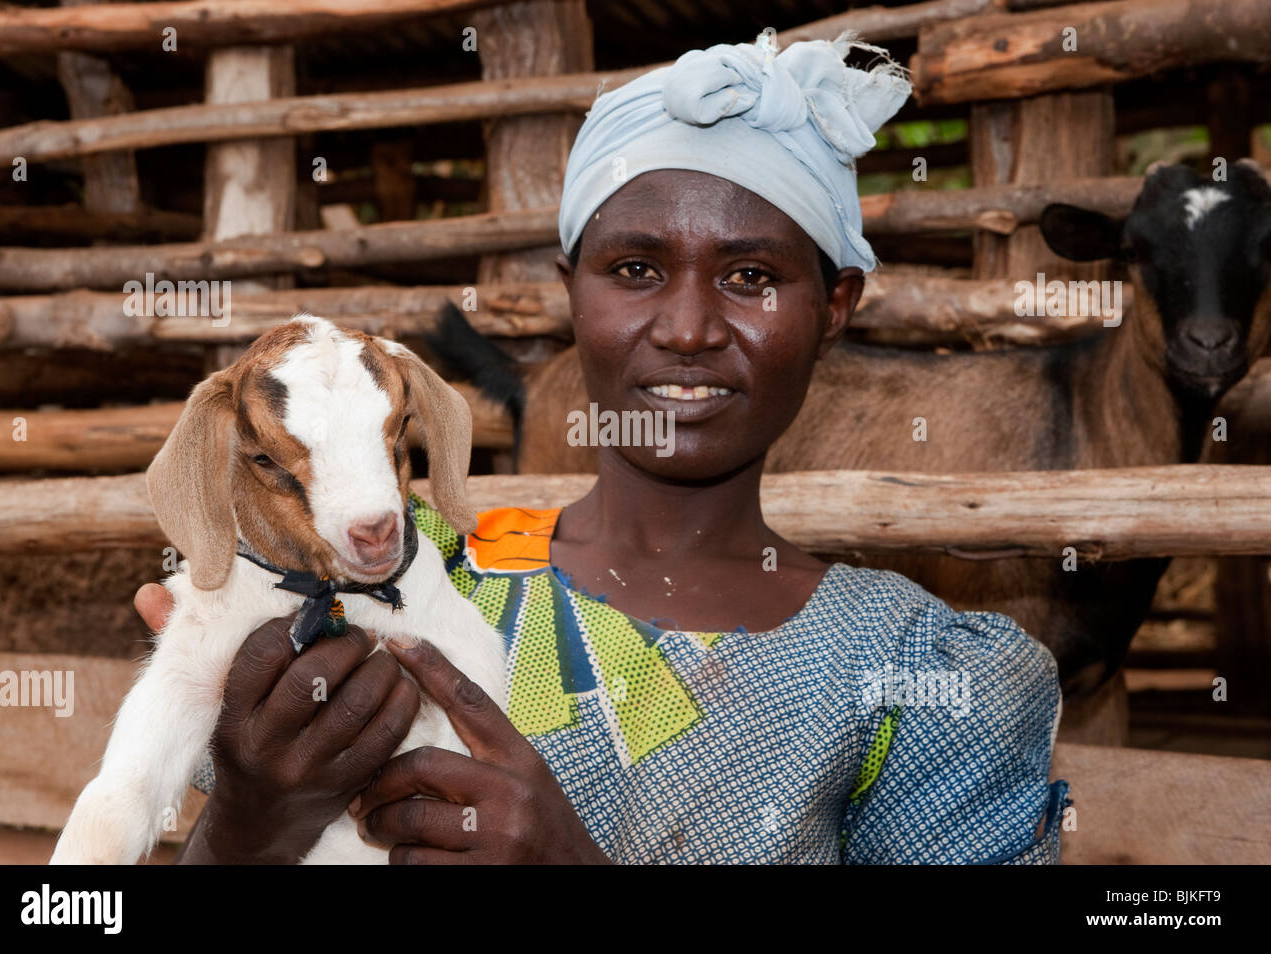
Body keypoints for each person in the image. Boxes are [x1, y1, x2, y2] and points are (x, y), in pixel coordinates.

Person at [135, 30, 1069, 864]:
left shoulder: (921, 676)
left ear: (834, 308)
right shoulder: (397, 577)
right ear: (571, 291)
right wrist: (251, 827)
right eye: (634, 269)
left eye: (751, 276)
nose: (690, 328)